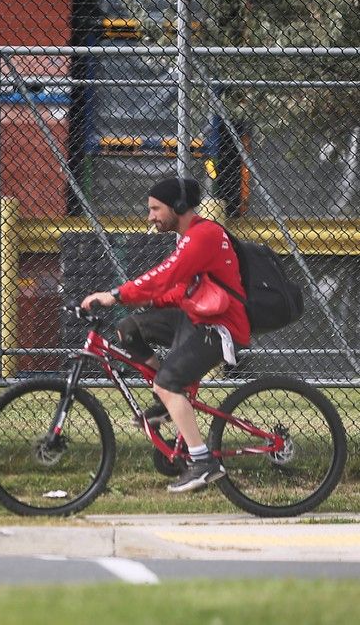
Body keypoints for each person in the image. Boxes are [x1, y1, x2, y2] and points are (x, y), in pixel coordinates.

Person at [81, 177, 250, 493]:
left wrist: (117, 294)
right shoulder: (188, 237)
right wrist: (146, 300)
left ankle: (202, 462)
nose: (150, 217)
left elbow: (166, 275)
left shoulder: (204, 235)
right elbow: (179, 290)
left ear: (179, 207)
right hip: (195, 315)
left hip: (219, 325)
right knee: (129, 328)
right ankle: (166, 399)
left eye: (155, 209)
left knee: (168, 381)